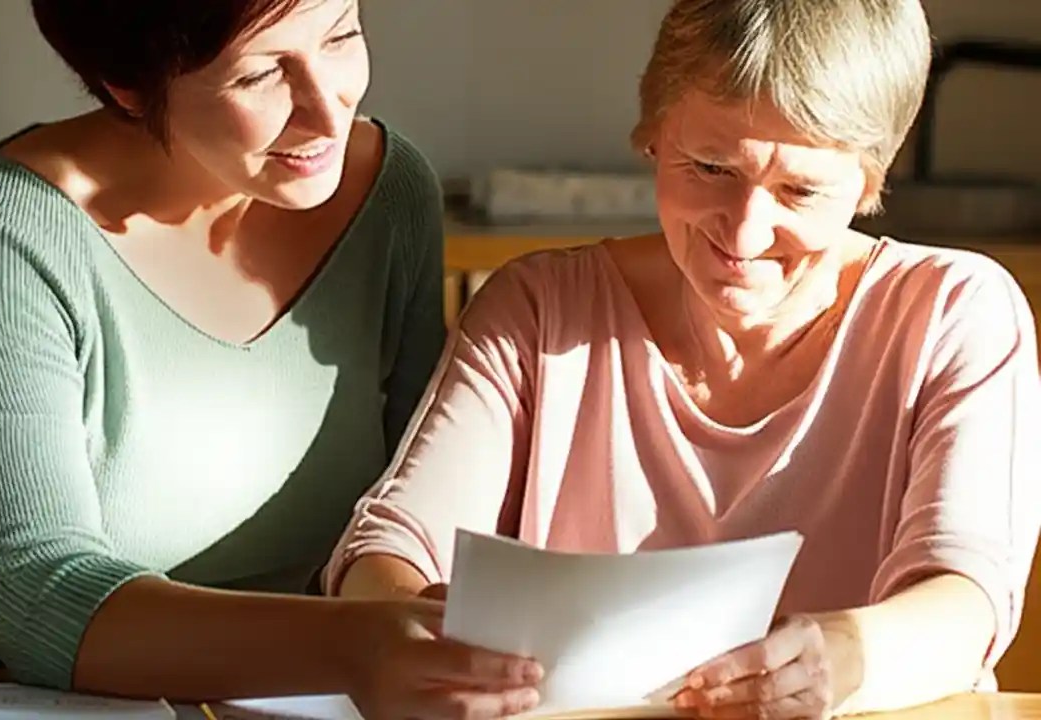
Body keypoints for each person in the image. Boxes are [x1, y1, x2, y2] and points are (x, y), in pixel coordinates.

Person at [0, 0, 546, 714]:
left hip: (268, 702)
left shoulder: (387, 194)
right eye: (261, 76)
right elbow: (27, 588)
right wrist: (353, 647)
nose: (329, 113)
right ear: (128, 86)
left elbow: (409, 516)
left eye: (341, 35)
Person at [328, 0, 1041, 718]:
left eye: (801, 190)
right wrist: (411, 630)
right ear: (652, 133)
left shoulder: (956, 314)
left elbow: (968, 600)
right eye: (709, 167)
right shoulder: (539, 312)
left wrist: (847, 656)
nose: (745, 231)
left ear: (868, 179)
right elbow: (385, 552)